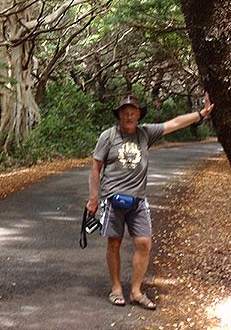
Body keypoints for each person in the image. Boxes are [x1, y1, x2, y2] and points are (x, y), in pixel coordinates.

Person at [86, 92, 214, 309]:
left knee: (144, 243)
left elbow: (173, 123)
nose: (129, 117)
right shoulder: (108, 136)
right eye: (125, 113)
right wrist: (93, 198)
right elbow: (96, 167)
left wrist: (200, 114)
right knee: (114, 243)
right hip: (112, 198)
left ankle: (136, 291)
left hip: (138, 200)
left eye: (132, 113)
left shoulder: (145, 134)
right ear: (120, 115)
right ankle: (116, 288)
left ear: (138, 115)